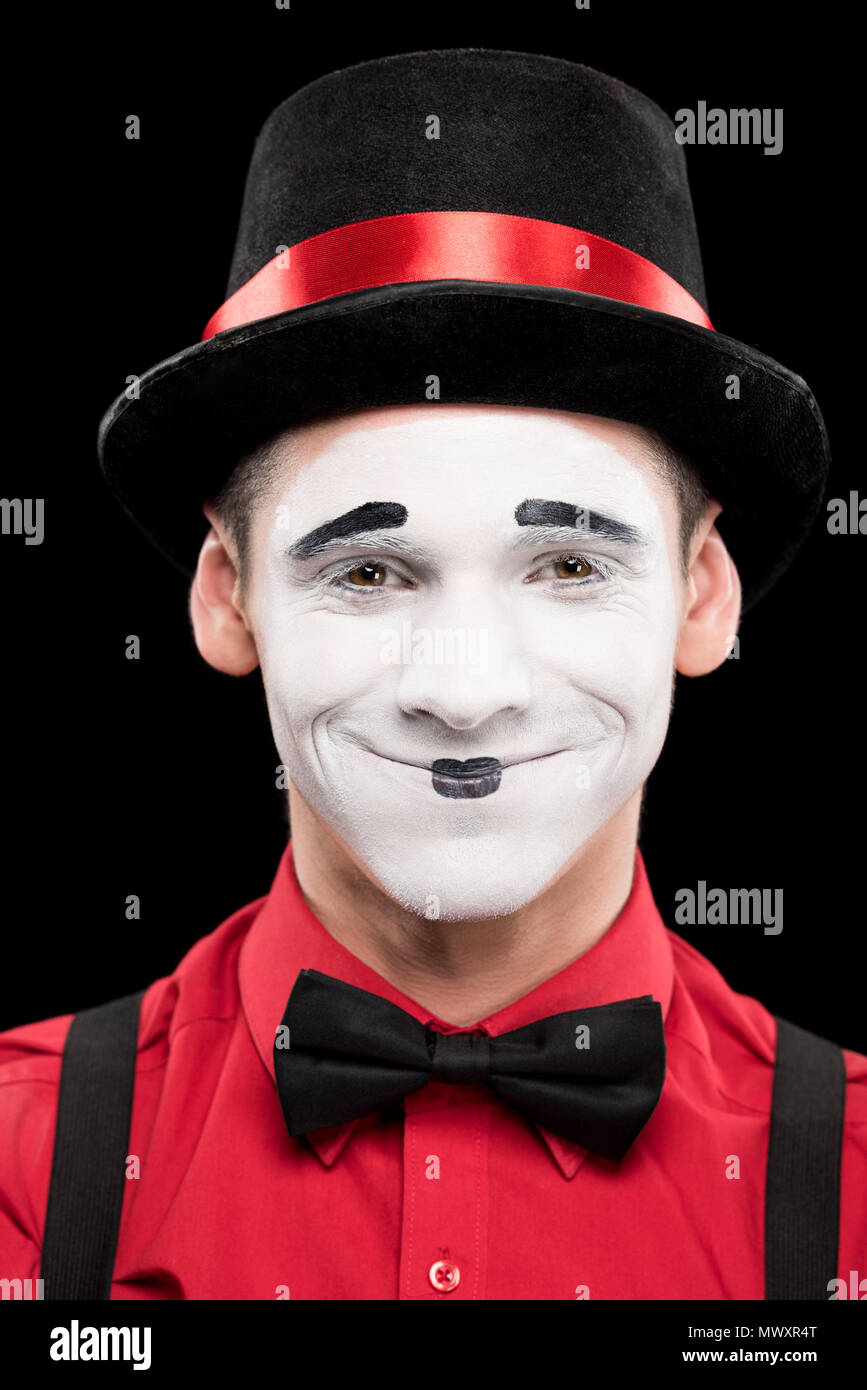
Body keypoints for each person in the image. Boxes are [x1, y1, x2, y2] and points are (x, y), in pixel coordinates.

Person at [1, 47, 864, 1302]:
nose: (464, 693)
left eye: (567, 564)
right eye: (368, 573)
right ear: (227, 597)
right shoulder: (23, 1168)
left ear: (702, 593)